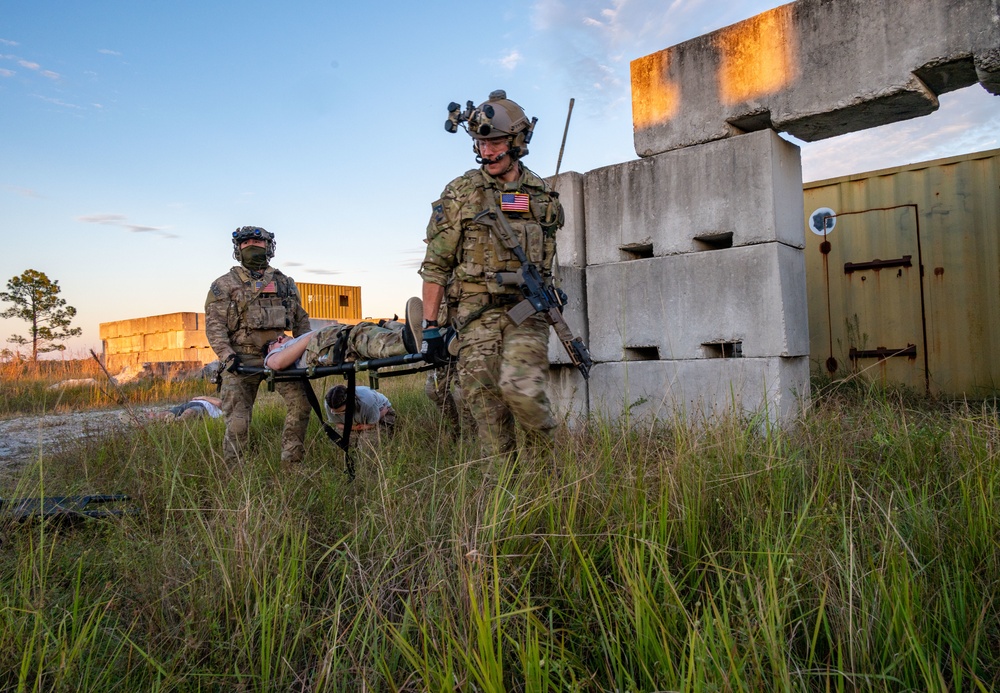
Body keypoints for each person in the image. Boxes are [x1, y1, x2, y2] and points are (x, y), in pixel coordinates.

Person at [418, 89, 564, 456]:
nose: (487, 152)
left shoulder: (541, 195)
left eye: (495, 141)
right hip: (475, 315)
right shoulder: (461, 193)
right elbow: (436, 264)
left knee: (523, 393)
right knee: (486, 410)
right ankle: (502, 497)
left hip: (526, 312)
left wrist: (552, 293)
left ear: (517, 140)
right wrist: (431, 329)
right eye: (481, 143)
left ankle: (552, 479)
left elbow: (546, 259)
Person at [204, 226, 313, 465]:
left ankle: (291, 464)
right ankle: (235, 475)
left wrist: (306, 351)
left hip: (280, 355)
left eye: (257, 240)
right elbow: (215, 327)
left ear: (269, 246)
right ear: (237, 249)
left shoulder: (285, 282)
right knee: (237, 423)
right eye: (245, 243)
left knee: (301, 406)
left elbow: (301, 321)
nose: (251, 245)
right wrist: (227, 356)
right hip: (241, 360)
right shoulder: (224, 285)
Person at [261, 304, 421, 371]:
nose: (280, 339)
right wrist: (311, 336)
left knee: (375, 328)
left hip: (338, 335)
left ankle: (427, 335)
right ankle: (408, 343)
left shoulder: (295, 341)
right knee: (361, 339)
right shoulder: (272, 357)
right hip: (331, 344)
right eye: (274, 343)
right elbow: (278, 363)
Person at [323, 384, 395, 432]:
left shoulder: (368, 402)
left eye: (342, 411)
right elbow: (338, 424)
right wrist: (356, 428)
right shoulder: (329, 404)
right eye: (335, 412)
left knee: (366, 445)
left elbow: (372, 424)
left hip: (381, 412)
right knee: (341, 443)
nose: (338, 414)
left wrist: (380, 415)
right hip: (355, 424)